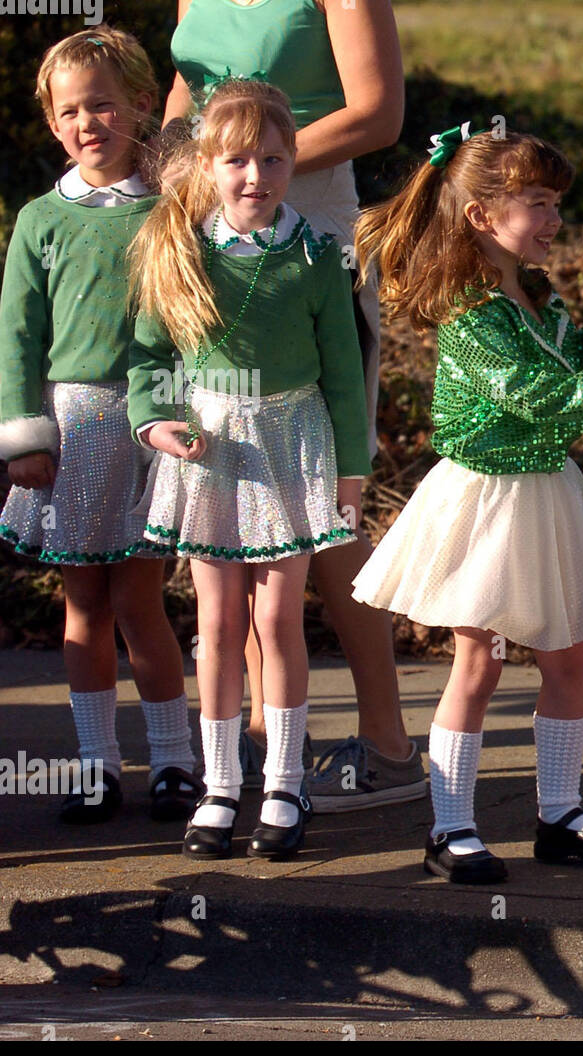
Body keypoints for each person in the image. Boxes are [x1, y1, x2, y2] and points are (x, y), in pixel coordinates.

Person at [350, 125, 583, 883]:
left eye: (556, 203)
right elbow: (535, 398)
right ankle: (450, 827)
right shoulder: (469, 311)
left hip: (547, 493)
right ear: (481, 216)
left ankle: (561, 813)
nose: (555, 220)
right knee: (480, 658)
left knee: (568, 655)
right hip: (486, 500)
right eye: (538, 204)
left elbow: (571, 382)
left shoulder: (535, 294)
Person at [164, 0, 416, 808]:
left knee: (322, 497)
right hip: (209, 234)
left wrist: (251, 159)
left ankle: (389, 745)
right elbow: (186, 85)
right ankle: (266, 749)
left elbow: (379, 114)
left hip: (309, 228)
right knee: (229, 488)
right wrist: (178, 163)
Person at [127, 80, 370, 860]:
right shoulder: (181, 250)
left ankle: (284, 782)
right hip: (213, 448)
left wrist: (353, 471)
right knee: (219, 623)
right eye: (237, 160)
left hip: (293, 443)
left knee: (277, 619)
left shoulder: (315, 254)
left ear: (294, 160)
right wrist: (156, 423)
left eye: (273, 158)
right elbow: (149, 358)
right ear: (208, 163)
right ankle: (222, 783)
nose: (255, 176)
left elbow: (343, 369)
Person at [0, 27, 197, 825]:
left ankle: (177, 763)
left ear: (143, 108)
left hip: (149, 428)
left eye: (105, 106)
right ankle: (94, 765)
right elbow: (16, 333)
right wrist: (25, 436)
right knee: (82, 609)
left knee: (142, 605)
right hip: (70, 430)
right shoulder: (41, 220)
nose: (88, 124)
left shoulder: (170, 213)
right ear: (53, 123)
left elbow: (188, 325)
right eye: (70, 112)